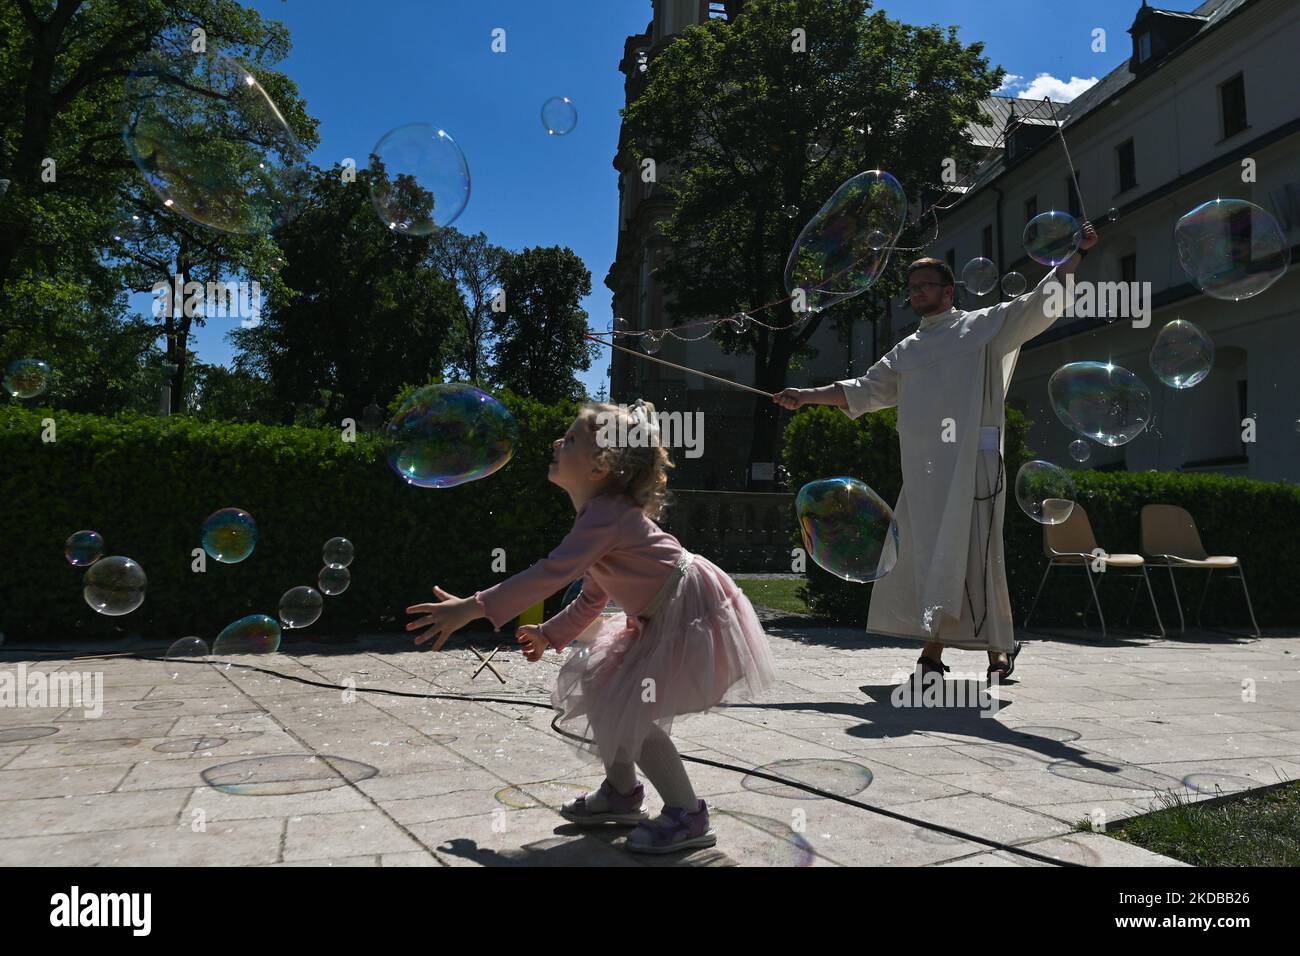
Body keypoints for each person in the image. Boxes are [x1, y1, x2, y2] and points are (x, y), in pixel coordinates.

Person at [406, 398, 775, 854]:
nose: (557, 442)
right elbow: (593, 594)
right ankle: (621, 795)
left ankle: (687, 814)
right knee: (609, 696)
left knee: (632, 710)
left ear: (600, 466)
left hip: (689, 610)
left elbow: (549, 572)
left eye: (572, 438)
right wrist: (550, 632)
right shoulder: (602, 516)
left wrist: (474, 606)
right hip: (661, 612)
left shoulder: (607, 515)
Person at [773, 222, 1099, 682]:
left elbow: (1039, 304)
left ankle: (994, 650)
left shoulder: (982, 327)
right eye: (912, 288)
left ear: (949, 291)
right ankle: (938, 651)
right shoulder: (906, 351)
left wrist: (1076, 255)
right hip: (926, 474)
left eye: (925, 286)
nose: (917, 293)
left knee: (980, 554)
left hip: (976, 464)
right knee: (932, 557)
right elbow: (863, 391)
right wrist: (805, 395)